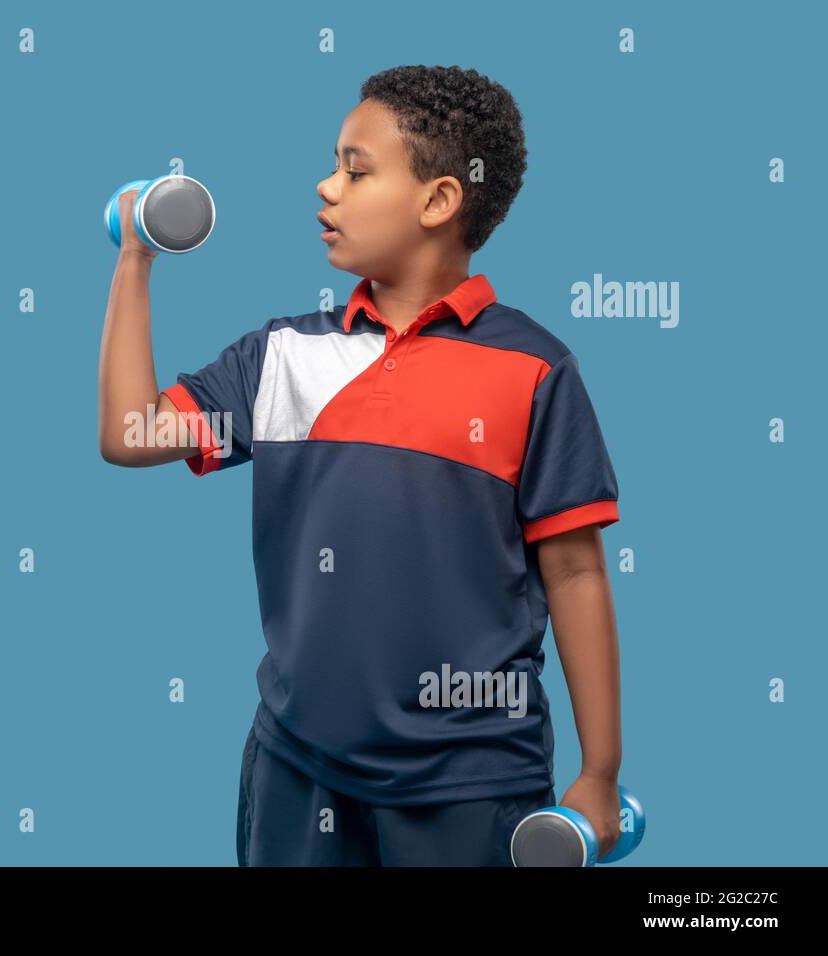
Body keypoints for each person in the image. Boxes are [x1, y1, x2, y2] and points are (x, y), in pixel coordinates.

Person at [98, 65, 624, 866]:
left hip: (471, 785)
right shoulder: (282, 355)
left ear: (439, 200)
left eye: (355, 168)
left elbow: (578, 573)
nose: (326, 186)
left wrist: (601, 771)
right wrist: (136, 259)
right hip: (296, 767)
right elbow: (131, 436)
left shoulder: (535, 370)